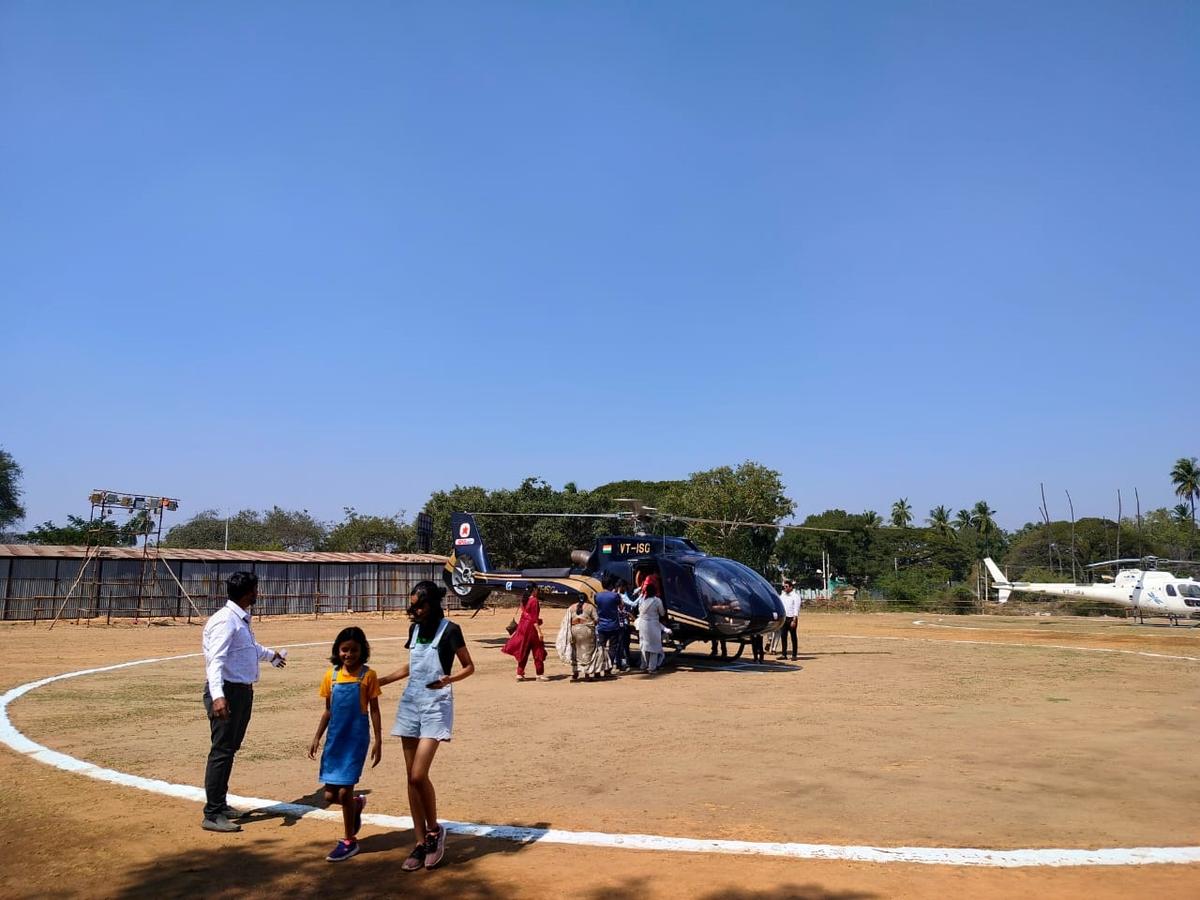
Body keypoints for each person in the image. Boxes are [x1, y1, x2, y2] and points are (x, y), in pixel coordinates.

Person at [378, 581, 474, 871]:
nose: (416, 611)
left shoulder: (451, 630)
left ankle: (434, 831)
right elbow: (412, 666)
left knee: (419, 774)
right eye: (413, 606)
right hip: (410, 702)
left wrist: (449, 679)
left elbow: (469, 666)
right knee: (410, 777)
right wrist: (382, 680)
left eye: (420, 606)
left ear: (433, 603)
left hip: (436, 704)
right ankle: (420, 842)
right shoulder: (414, 629)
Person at [201, 571, 286, 833]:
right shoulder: (225, 621)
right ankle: (212, 814)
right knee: (222, 750)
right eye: (256, 589)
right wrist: (218, 696)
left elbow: (249, 648)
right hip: (228, 693)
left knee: (229, 749)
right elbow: (215, 661)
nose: (258, 593)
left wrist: (271, 656)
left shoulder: (239, 619)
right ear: (249, 593)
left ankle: (220, 804)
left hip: (240, 692)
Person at [308, 626, 382, 862]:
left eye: (354, 650)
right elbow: (328, 711)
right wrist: (317, 737)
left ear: (362, 651)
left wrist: (378, 740)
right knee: (330, 796)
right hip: (335, 742)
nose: (348, 654)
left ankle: (349, 840)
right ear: (337, 650)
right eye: (344, 650)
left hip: (355, 741)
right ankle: (355, 805)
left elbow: (374, 710)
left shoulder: (368, 676)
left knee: (344, 790)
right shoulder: (331, 676)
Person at [502, 584, 548, 681]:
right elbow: (534, 618)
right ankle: (539, 674)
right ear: (534, 589)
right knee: (538, 650)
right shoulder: (534, 600)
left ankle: (519, 673)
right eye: (537, 589)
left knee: (524, 650)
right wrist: (539, 632)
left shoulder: (524, 600)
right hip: (531, 628)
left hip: (523, 627)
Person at [635, 577, 668, 675]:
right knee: (654, 647)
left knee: (644, 645)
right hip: (653, 625)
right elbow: (662, 613)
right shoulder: (657, 601)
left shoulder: (642, 600)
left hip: (643, 625)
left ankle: (643, 665)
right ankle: (652, 667)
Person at [563, 596, 600, 681]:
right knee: (587, 652)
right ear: (586, 599)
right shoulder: (590, 607)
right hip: (586, 631)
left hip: (574, 631)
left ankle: (575, 673)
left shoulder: (571, 607)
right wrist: (591, 623)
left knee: (575, 652)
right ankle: (587, 674)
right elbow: (597, 619)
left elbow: (567, 620)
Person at [593, 579, 621, 677]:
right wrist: (617, 593)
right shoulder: (615, 596)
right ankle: (608, 669)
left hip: (601, 626)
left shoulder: (597, 596)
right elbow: (621, 605)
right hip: (613, 625)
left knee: (600, 648)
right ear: (611, 585)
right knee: (612, 648)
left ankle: (597, 670)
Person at [778, 579, 801, 661]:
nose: (785, 588)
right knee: (783, 636)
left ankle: (794, 655)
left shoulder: (795, 596)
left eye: (786, 586)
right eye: (784, 587)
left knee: (793, 636)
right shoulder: (782, 596)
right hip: (784, 618)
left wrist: (794, 620)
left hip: (791, 618)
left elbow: (796, 609)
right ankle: (784, 654)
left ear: (791, 587)